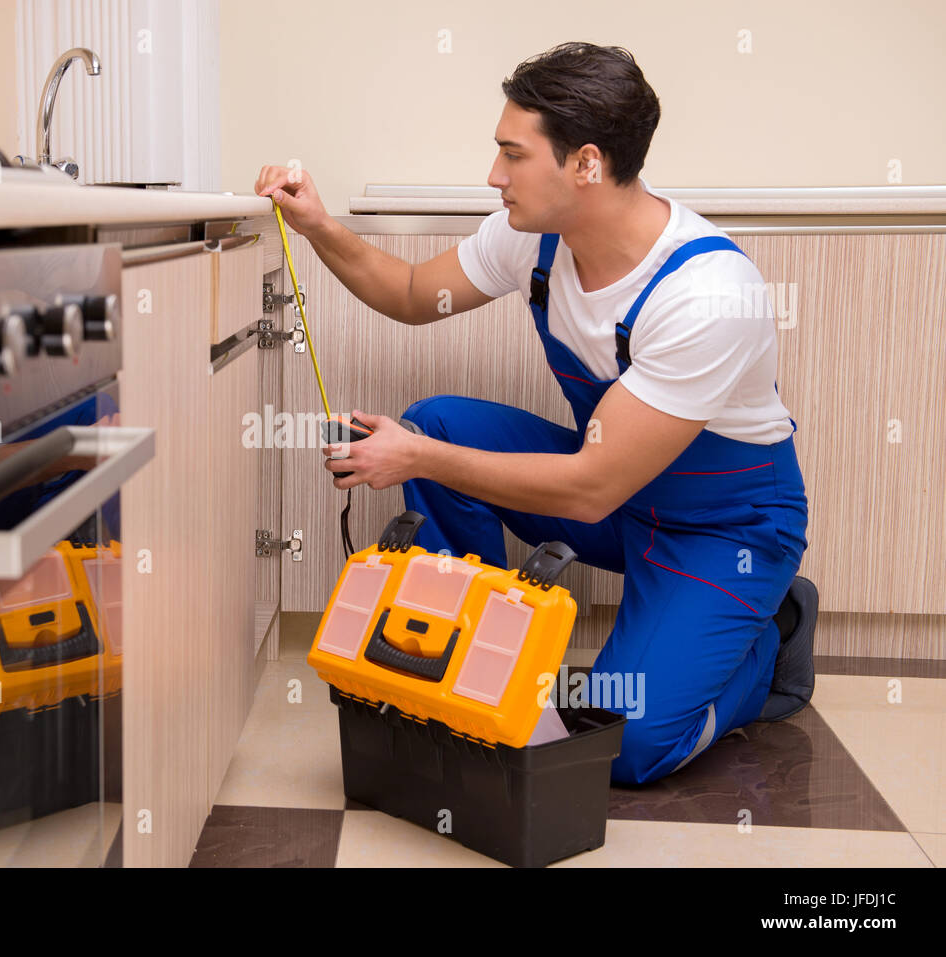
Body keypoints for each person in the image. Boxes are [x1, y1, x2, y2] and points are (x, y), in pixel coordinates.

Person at [253, 41, 818, 786]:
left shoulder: (709, 294)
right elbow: (416, 293)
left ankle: (770, 639)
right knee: (439, 423)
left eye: (511, 155)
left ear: (585, 163)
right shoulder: (534, 240)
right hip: (622, 500)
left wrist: (415, 459)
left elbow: (588, 487)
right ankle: (474, 662)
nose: (494, 176)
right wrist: (318, 226)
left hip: (722, 527)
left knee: (628, 743)